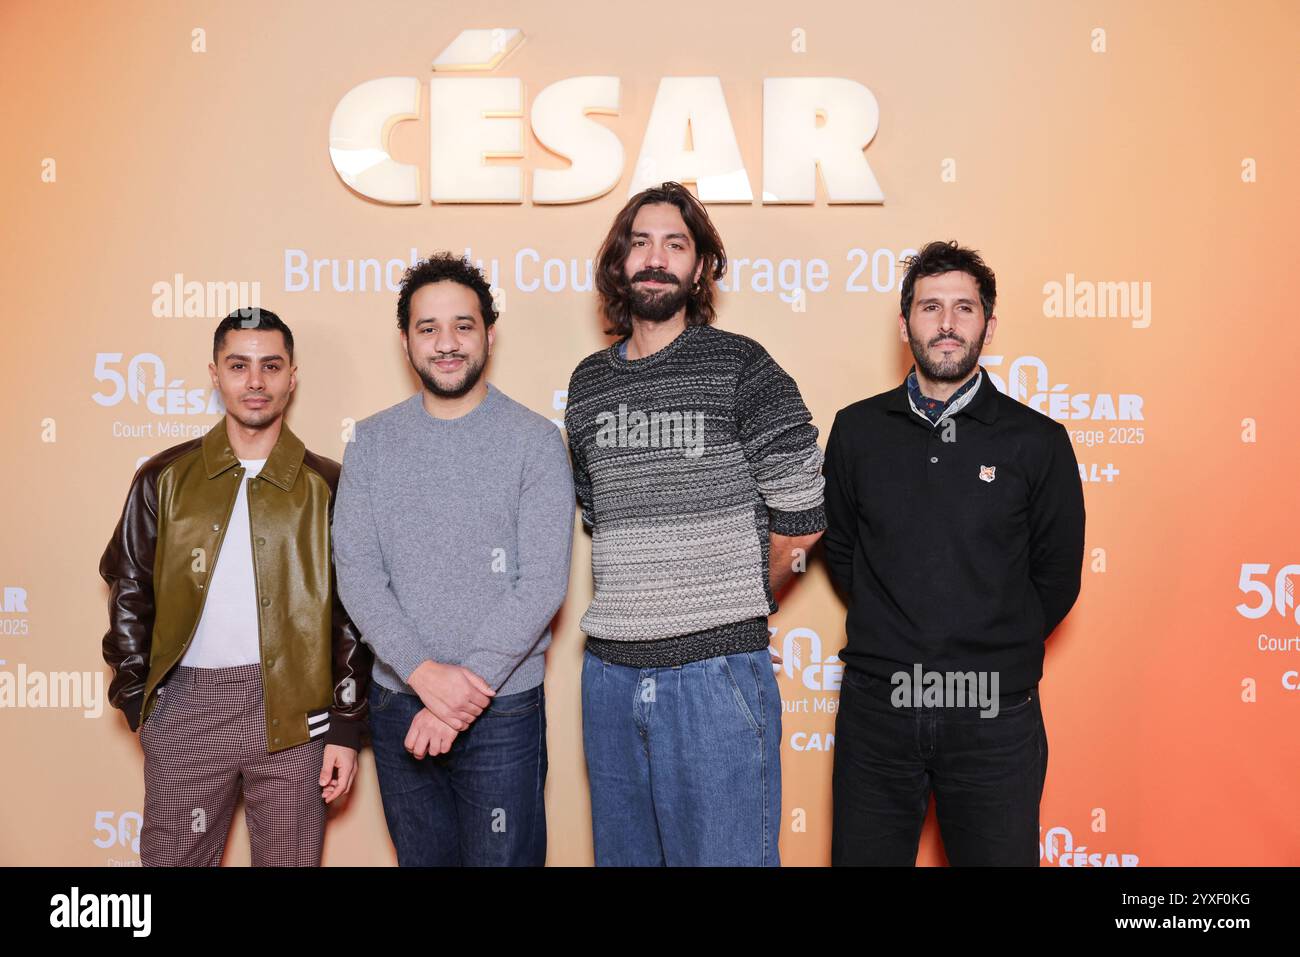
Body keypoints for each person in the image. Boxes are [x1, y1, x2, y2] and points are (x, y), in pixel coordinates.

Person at [565, 182, 826, 866]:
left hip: (717, 678)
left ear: (700, 267)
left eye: (676, 244)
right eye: (641, 242)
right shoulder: (589, 384)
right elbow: (599, 513)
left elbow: (801, 514)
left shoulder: (741, 365)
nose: (656, 258)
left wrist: (738, 605)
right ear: (620, 262)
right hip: (611, 679)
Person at [823, 240, 1085, 866]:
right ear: (904, 322)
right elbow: (841, 550)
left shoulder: (1038, 441)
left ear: (988, 325)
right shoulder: (857, 430)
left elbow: (1056, 575)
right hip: (880, 706)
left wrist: (991, 648)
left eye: (963, 309)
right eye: (929, 307)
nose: (946, 324)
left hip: (993, 711)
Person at [99, 307, 372, 867]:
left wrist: (344, 725)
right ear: (215, 372)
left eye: (271, 366)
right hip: (187, 707)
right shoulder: (162, 477)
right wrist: (141, 703)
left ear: (292, 376)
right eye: (239, 365)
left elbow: (353, 614)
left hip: (299, 714)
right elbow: (129, 589)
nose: (255, 381)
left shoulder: (330, 483)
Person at [332, 253, 574, 866]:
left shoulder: (536, 442)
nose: (446, 343)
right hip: (398, 702)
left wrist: (463, 693)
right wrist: (423, 675)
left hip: (503, 709)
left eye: (463, 326)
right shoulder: (371, 442)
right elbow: (358, 574)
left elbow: (542, 581)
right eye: (428, 328)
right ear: (407, 342)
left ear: (489, 334)